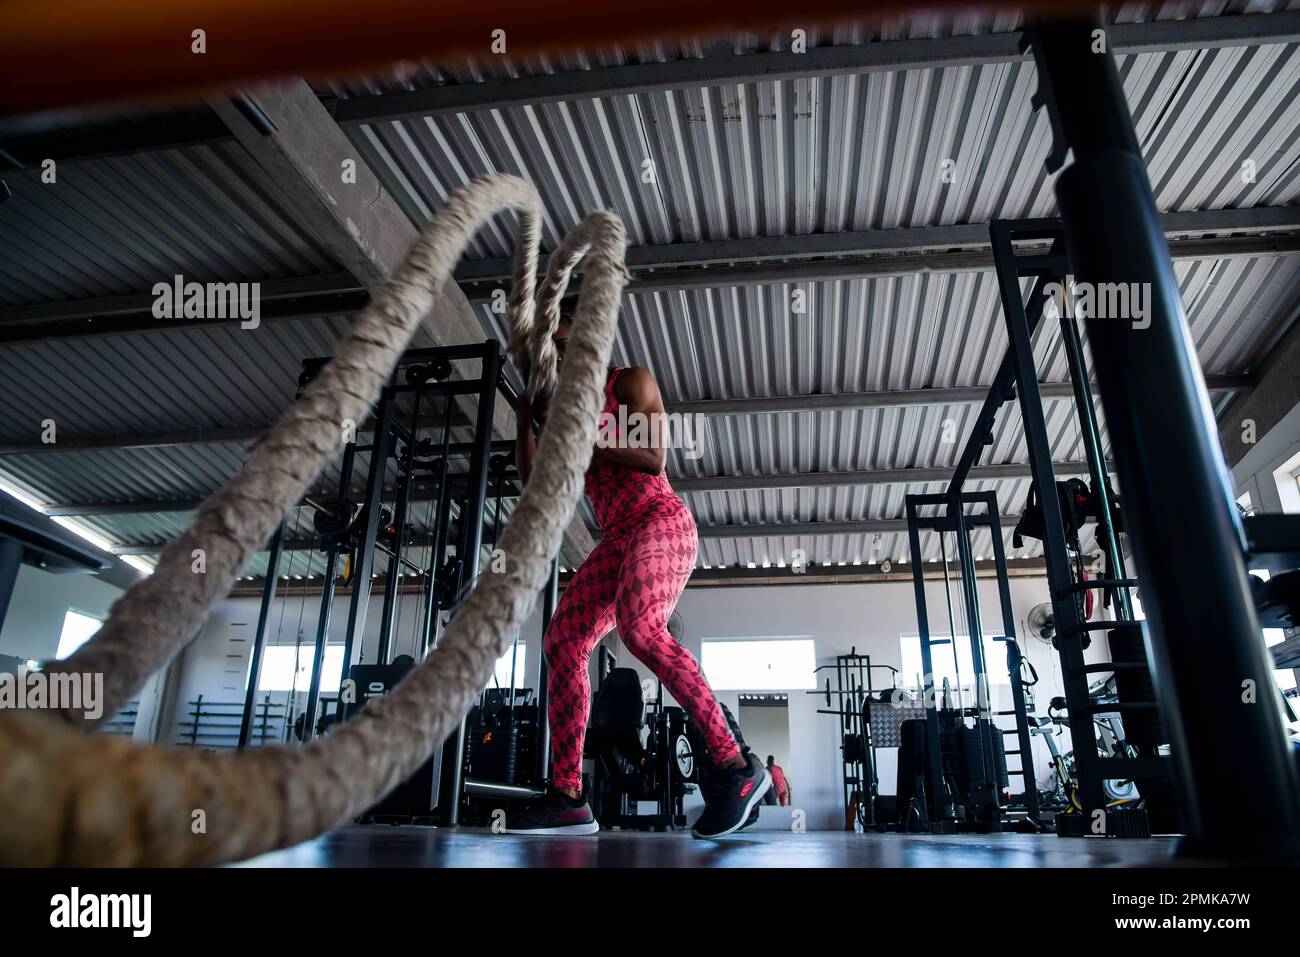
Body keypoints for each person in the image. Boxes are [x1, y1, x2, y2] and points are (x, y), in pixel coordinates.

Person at [505, 309, 770, 837]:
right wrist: (526, 416)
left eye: (564, 346)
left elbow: (652, 458)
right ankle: (568, 796)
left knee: (640, 628)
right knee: (562, 640)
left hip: (661, 521)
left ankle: (736, 765)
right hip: (616, 538)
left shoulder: (628, 382)